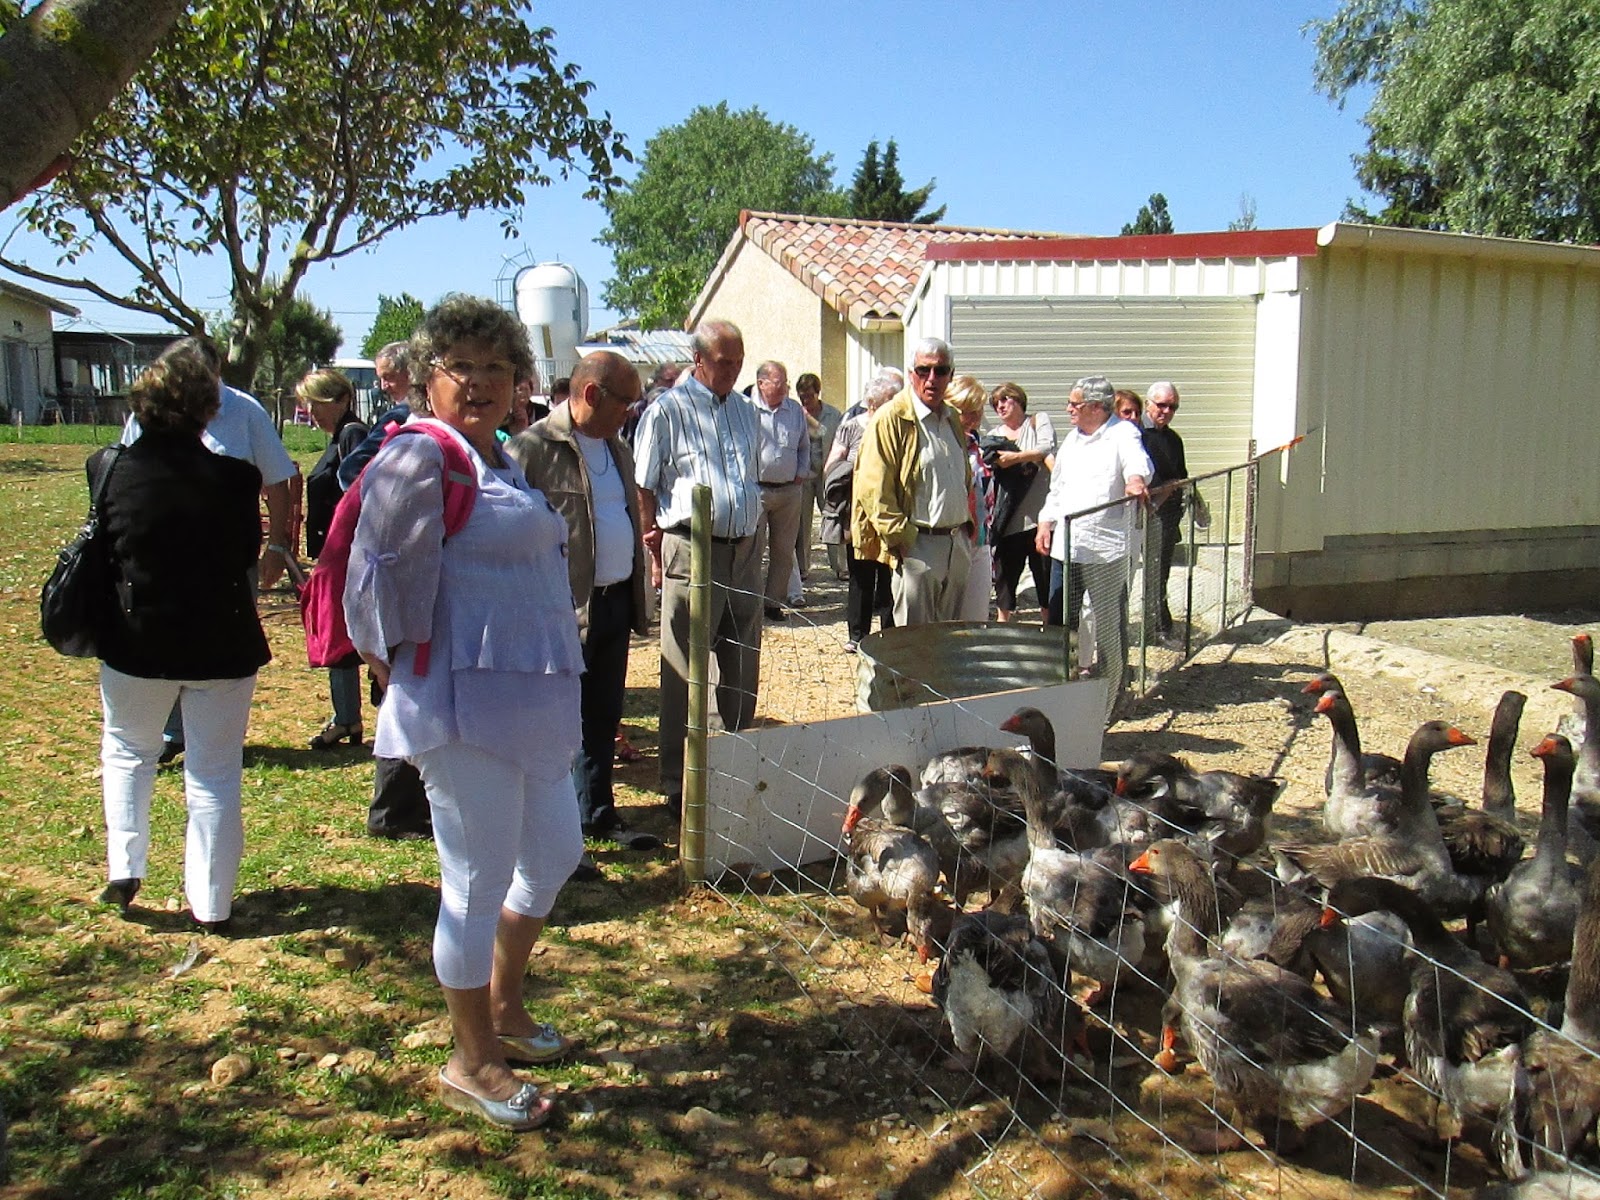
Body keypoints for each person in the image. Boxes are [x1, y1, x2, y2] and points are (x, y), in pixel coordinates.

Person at [345, 294, 582, 1131]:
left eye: (496, 367)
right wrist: (402, 675)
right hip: (460, 702)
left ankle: (504, 1004)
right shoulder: (419, 460)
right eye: (460, 367)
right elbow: (369, 590)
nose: (479, 382)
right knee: (475, 880)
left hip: (527, 697)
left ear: (519, 380)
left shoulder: (503, 459)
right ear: (426, 379)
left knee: (556, 849)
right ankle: (471, 1059)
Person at [93, 345, 272, 934]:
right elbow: (245, 555)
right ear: (208, 410)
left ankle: (124, 869)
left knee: (128, 752)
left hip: (137, 637)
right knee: (215, 774)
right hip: (221, 640)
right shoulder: (237, 479)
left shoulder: (110, 467)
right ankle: (213, 904)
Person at [119, 336, 297, 764]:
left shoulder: (244, 411)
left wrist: (277, 545)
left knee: (216, 650)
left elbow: (279, 479)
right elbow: (126, 472)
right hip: (161, 560)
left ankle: (207, 736)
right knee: (166, 641)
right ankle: (172, 732)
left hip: (226, 563)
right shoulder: (150, 413)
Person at [507, 351, 651, 880]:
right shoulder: (533, 449)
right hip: (563, 613)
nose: (630, 412)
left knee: (603, 715)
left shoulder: (618, 448)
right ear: (592, 395)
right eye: (624, 402)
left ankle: (596, 814)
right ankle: (560, 840)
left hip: (613, 603)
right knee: (559, 728)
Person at [633, 319, 762, 815]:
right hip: (691, 544)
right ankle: (676, 779)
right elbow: (645, 484)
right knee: (685, 664)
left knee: (742, 657)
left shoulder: (748, 411)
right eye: (723, 362)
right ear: (699, 360)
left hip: (745, 546)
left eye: (738, 361)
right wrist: (653, 548)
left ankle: (735, 761)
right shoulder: (667, 410)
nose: (731, 371)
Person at [1036, 375, 1153, 711]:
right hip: (1066, 550)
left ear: (1097, 407)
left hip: (1105, 553)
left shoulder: (1122, 433)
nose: (1068, 409)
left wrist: (1134, 480)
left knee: (1109, 630)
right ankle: (1062, 697)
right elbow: (1056, 489)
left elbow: (1138, 462)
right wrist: (1046, 522)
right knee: (1061, 628)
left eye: (1075, 404)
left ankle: (1112, 699)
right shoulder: (1072, 440)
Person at [852, 338, 973, 627]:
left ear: (951, 376)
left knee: (948, 644)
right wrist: (901, 539)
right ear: (911, 374)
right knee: (915, 650)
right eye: (923, 370)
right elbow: (873, 489)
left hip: (956, 545)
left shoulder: (952, 417)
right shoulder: (891, 418)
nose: (932, 379)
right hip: (918, 546)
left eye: (941, 371)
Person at [298, 368, 369, 750]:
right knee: (335, 633)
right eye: (308, 403)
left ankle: (347, 719)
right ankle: (347, 717)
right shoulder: (338, 437)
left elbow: (356, 494)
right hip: (334, 551)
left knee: (339, 636)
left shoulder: (351, 435)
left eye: (319, 402)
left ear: (342, 400)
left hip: (347, 552)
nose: (311, 411)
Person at [822, 369, 902, 651]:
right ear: (873, 403)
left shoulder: (901, 427)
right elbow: (831, 467)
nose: (897, 404)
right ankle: (858, 635)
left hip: (893, 512)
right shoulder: (852, 426)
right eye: (891, 399)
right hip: (860, 514)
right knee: (860, 576)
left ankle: (891, 636)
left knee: (892, 575)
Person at [985, 382, 1056, 624]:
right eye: (996, 404)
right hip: (1009, 522)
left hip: (1041, 522)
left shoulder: (1037, 422)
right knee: (1005, 585)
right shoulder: (995, 436)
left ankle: (1049, 634)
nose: (1000, 406)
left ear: (1018, 400)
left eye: (1005, 400)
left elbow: (1047, 447)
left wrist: (1016, 457)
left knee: (1046, 583)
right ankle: (1003, 633)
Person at [748, 361, 809, 621]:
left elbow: (805, 446)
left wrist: (801, 473)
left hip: (788, 492)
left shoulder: (794, 410)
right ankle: (748, 603)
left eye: (786, 382)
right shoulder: (746, 409)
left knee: (784, 551)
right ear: (761, 383)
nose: (785, 387)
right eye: (779, 382)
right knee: (751, 549)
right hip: (756, 490)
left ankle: (773, 603)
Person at [1141, 380, 1191, 642]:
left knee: (1159, 570)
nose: (1166, 411)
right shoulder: (1134, 432)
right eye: (1161, 405)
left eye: (1172, 407)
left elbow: (1180, 475)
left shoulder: (1172, 439)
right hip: (1135, 512)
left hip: (1164, 514)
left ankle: (1158, 625)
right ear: (1148, 403)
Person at [946, 375, 994, 622]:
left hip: (981, 540)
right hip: (951, 540)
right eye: (968, 411)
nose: (975, 417)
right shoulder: (943, 445)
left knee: (976, 619)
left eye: (978, 410)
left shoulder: (978, 446)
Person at [795, 373, 845, 584]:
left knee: (834, 520)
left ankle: (841, 567)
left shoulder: (833, 415)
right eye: (801, 396)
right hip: (803, 476)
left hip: (828, 475)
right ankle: (803, 568)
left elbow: (834, 438)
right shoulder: (794, 414)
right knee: (802, 525)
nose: (805, 400)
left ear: (818, 393)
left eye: (809, 396)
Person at [623, 362, 680, 445]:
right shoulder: (641, 408)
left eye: (677, 381)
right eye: (669, 380)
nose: (674, 385)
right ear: (656, 381)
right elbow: (631, 440)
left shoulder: (685, 407)